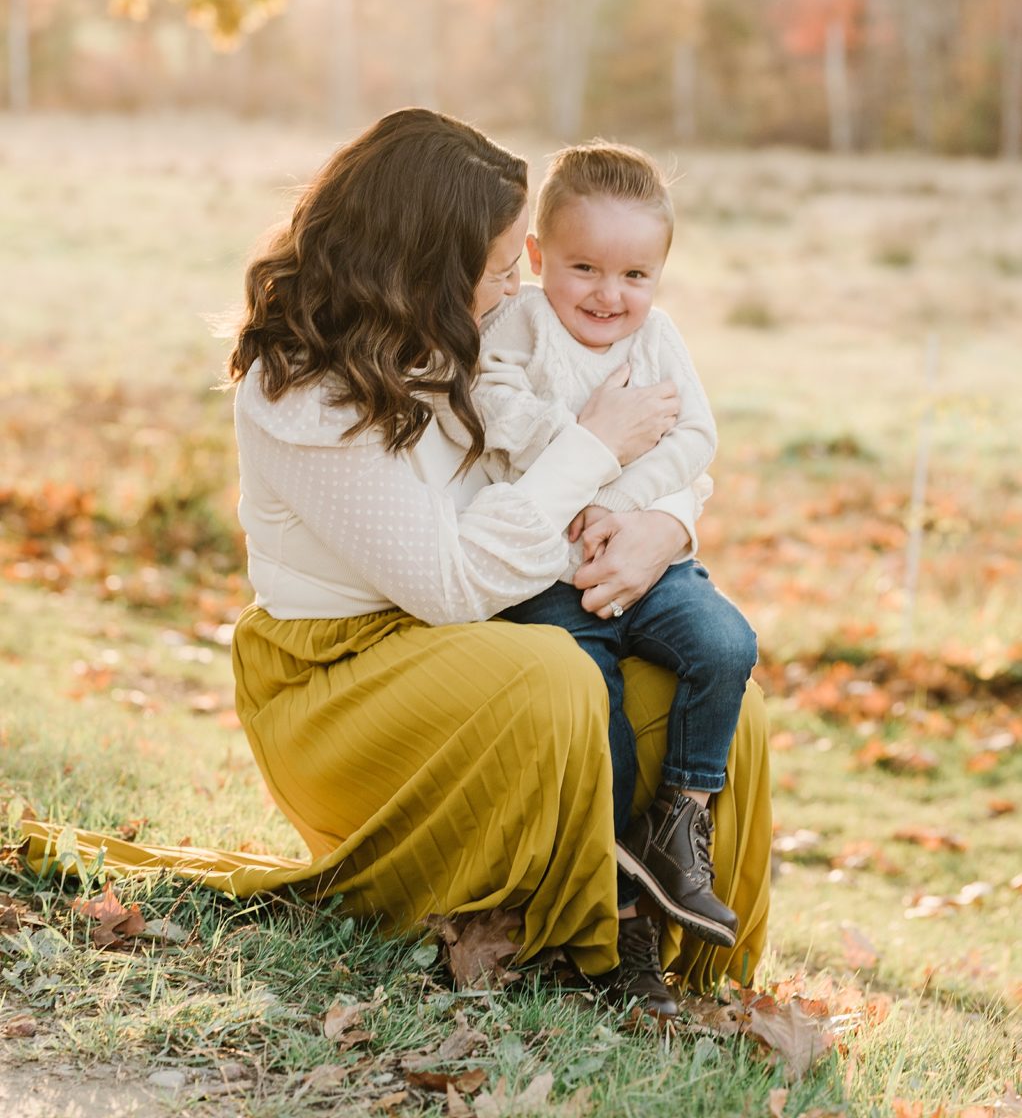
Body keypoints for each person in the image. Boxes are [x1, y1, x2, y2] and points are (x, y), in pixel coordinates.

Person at [22, 108, 770, 1020]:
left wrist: (665, 526)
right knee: (555, 677)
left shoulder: (472, 335)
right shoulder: (302, 394)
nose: (517, 289)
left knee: (712, 688)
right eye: (501, 269)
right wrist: (591, 449)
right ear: (427, 265)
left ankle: (655, 928)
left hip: (496, 625)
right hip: (345, 673)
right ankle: (588, 931)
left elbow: (660, 442)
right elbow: (450, 586)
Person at [475, 142, 758, 961]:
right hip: (550, 575)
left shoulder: (657, 337)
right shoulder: (518, 324)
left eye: (635, 275)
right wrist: (588, 442)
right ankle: (623, 906)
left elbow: (695, 438)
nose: (610, 294)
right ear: (538, 258)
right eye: (585, 269)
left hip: (644, 554)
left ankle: (681, 819)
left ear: (660, 274)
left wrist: (619, 502)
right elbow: (497, 408)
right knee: (598, 716)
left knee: (726, 644)